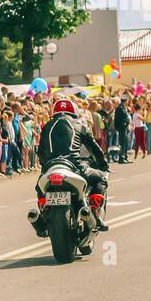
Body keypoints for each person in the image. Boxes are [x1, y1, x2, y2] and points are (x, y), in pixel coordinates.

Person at [37, 98, 110, 230]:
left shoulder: (46, 127)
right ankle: (95, 212)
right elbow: (94, 148)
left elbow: (40, 151)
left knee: (39, 188)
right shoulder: (79, 126)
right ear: (73, 112)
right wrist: (103, 164)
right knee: (101, 178)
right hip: (75, 166)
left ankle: (44, 210)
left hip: (51, 167)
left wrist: (45, 166)